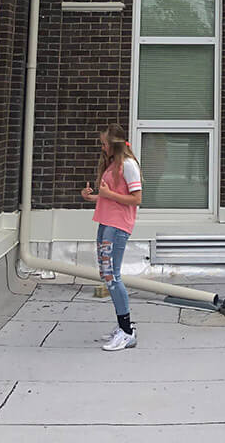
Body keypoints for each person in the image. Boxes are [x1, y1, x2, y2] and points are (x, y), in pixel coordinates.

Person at [81, 123, 143, 351]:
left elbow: (136, 199)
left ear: (114, 144)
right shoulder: (113, 165)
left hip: (117, 226)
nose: (102, 147)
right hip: (107, 223)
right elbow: (113, 196)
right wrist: (95, 197)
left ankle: (127, 331)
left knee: (113, 277)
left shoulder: (128, 165)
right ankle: (123, 326)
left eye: (104, 143)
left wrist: (107, 194)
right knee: (107, 276)